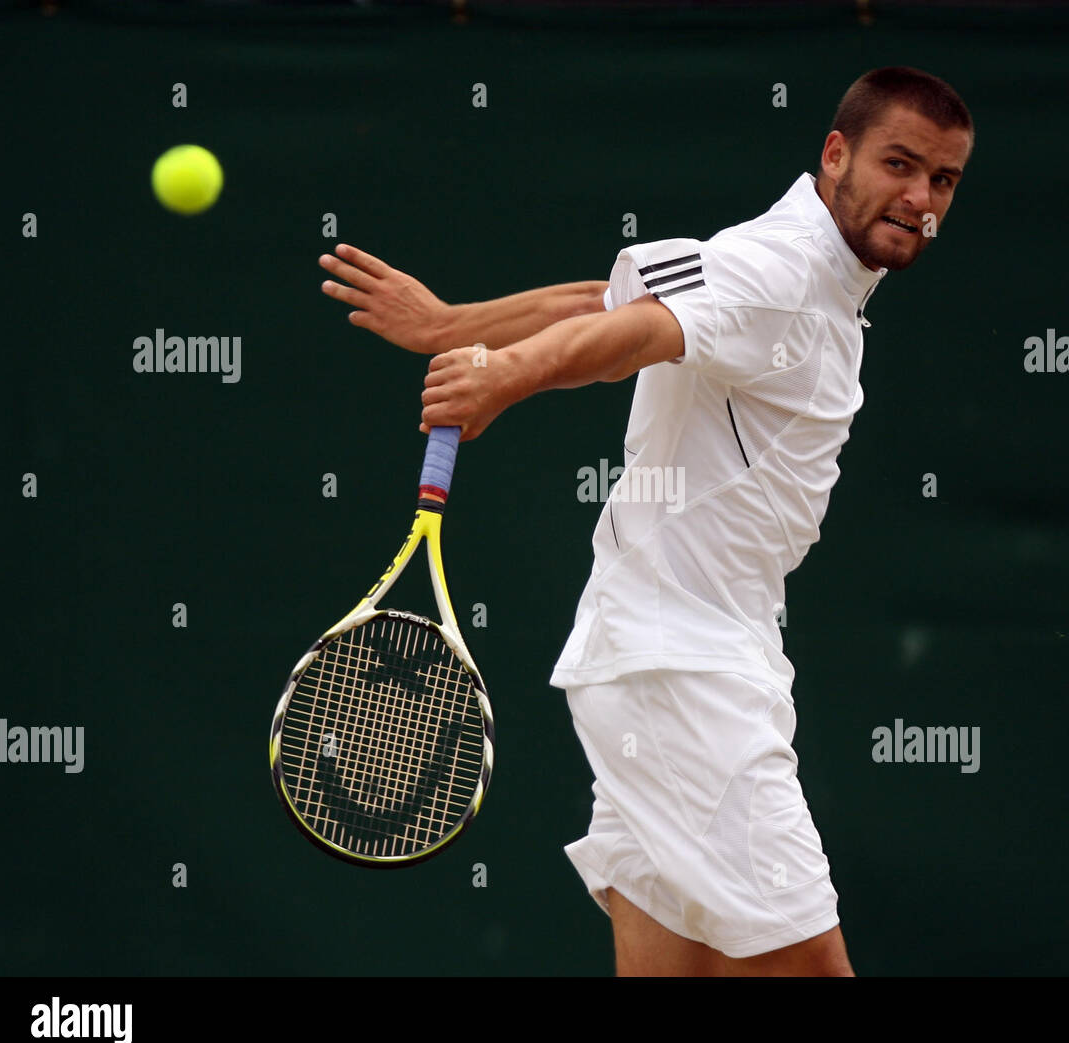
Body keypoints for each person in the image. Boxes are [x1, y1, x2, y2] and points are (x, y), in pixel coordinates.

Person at [319, 66, 974, 977]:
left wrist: (456, 324)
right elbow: (633, 336)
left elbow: (613, 302)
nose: (920, 197)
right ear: (836, 154)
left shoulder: (793, 267)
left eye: (942, 179)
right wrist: (508, 376)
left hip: (681, 655)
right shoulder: (784, 268)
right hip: (684, 674)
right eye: (899, 164)